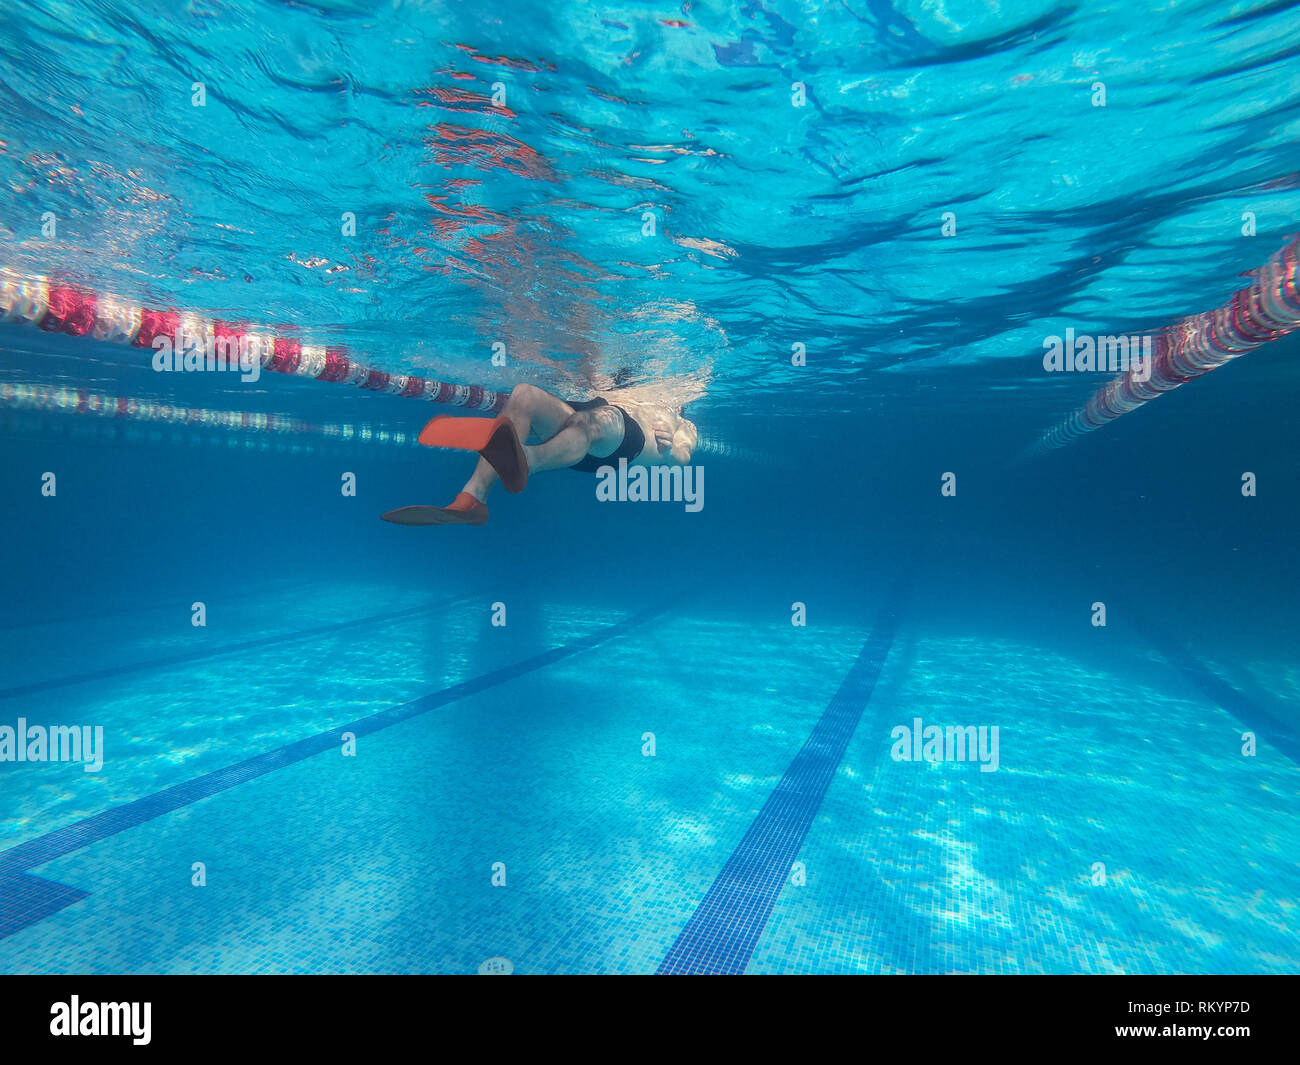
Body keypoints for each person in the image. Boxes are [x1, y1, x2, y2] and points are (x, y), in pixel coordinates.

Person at [382, 383, 698, 525]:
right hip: (581, 428)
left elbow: (683, 459)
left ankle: (526, 460)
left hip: (622, 444)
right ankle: (472, 499)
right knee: (525, 394)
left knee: (597, 421)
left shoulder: (683, 424)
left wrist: (669, 449)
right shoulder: (633, 388)